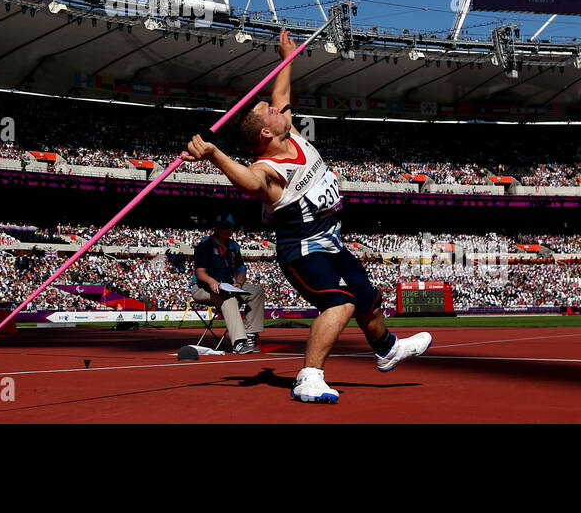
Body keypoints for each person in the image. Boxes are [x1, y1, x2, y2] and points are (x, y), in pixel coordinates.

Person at [185, 28, 432, 403]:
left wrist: (287, 58)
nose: (275, 106)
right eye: (268, 110)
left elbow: (280, 94)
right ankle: (308, 378)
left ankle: (386, 349)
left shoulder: (292, 135)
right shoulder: (269, 170)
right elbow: (249, 182)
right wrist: (215, 155)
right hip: (302, 249)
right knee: (341, 303)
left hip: (332, 242)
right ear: (267, 132)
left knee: (368, 300)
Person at [190, 215, 264, 353]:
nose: (228, 230)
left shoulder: (233, 246)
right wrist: (212, 281)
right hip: (202, 287)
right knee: (228, 298)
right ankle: (238, 342)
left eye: (230, 227)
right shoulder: (205, 245)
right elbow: (200, 273)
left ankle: (250, 335)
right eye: (224, 227)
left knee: (257, 291)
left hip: (228, 285)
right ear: (216, 228)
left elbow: (241, 269)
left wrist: (239, 283)